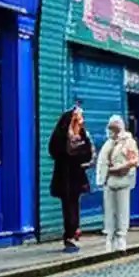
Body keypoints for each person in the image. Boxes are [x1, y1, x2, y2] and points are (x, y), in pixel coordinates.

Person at [48, 105, 94, 253]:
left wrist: (80, 155)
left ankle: (73, 233)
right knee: (68, 205)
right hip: (64, 176)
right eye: (79, 118)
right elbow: (54, 150)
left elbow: (88, 153)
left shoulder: (82, 134)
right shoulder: (61, 134)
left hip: (77, 175)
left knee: (74, 204)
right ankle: (70, 235)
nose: (82, 121)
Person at [97, 115, 139, 253]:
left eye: (114, 127)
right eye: (110, 127)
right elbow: (102, 162)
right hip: (109, 182)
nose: (111, 131)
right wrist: (101, 178)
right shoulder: (108, 144)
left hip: (122, 180)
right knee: (109, 211)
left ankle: (121, 237)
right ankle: (109, 237)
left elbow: (135, 161)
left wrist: (121, 167)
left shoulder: (129, 142)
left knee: (122, 210)